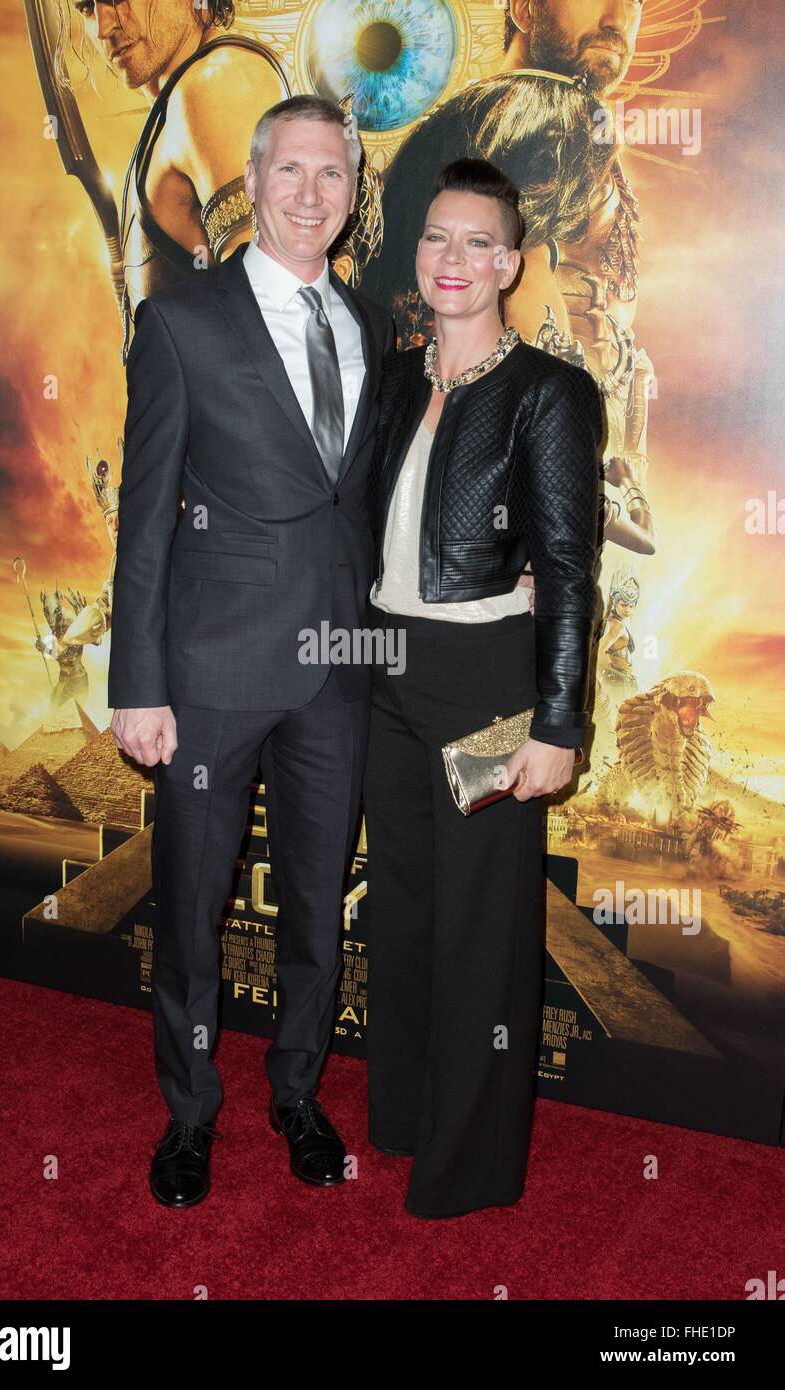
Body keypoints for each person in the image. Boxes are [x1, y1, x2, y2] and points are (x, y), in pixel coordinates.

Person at [108, 95, 395, 1209]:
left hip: (337, 671)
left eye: (332, 174)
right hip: (209, 677)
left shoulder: (370, 325)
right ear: (254, 176)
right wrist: (139, 683)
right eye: (291, 171)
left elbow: (355, 504)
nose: (311, 194)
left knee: (316, 905)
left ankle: (296, 1092)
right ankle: (188, 1112)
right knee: (190, 908)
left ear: (353, 191)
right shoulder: (181, 322)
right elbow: (142, 519)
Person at [364, 157, 603, 1218]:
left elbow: (568, 566)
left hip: (484, 682)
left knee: (477, 925)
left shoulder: (549, 392)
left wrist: (557, 721)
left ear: (508, 260)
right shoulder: (392, 374)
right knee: (404, 907)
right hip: (385, 669)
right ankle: (406, 1118)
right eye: (433, 239)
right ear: (414, 255)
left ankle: (464, 1167)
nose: (450, 260)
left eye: (474, 242)